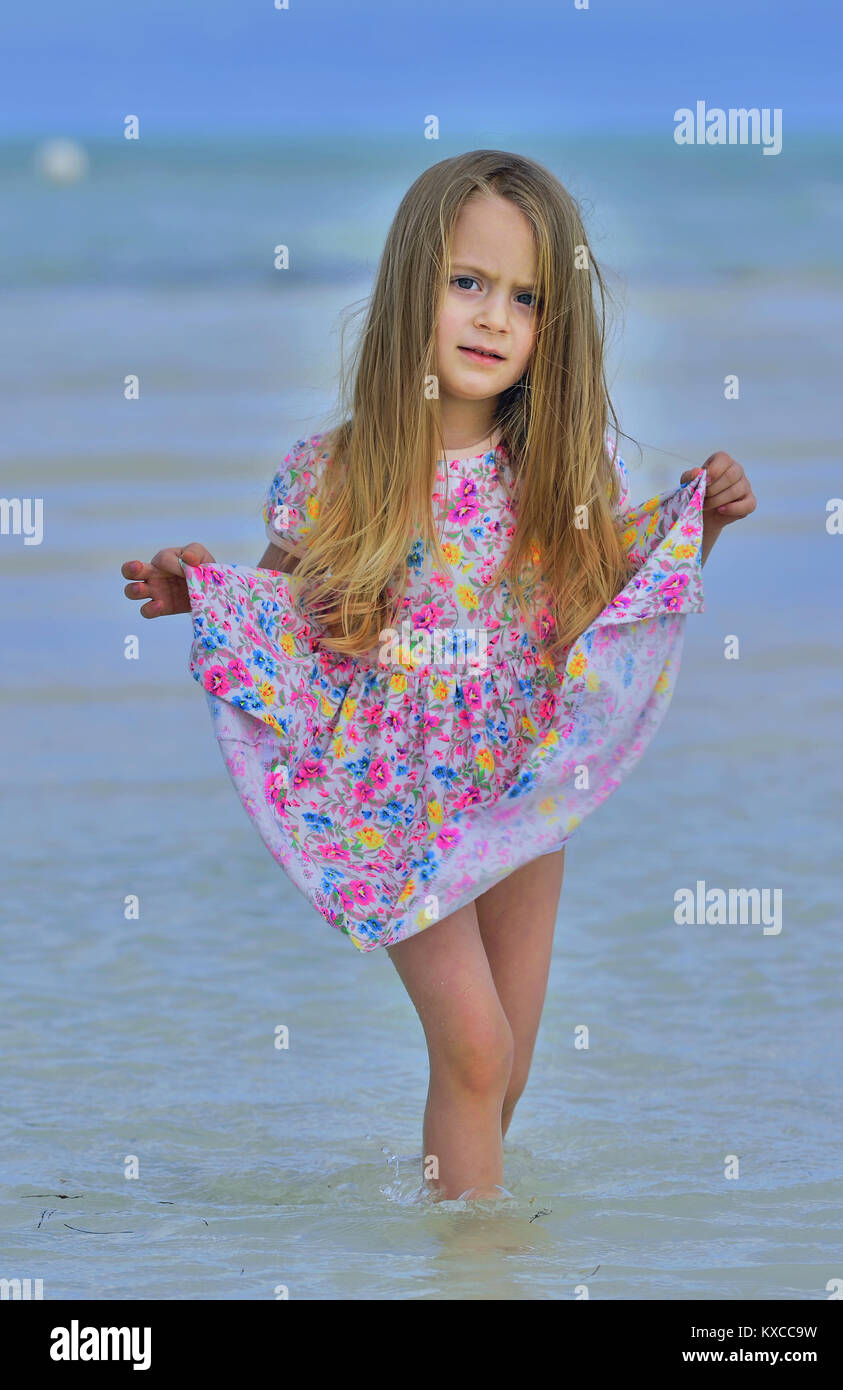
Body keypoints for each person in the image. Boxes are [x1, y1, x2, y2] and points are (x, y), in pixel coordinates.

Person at [120, 150, 756, 1203]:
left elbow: (604, 607)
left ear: (555, 325)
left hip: (516, 772)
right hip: (394, 795)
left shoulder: (560, 468)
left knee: (506, 1062)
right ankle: (476, 1265)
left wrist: (705, 524)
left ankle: (447, 1236)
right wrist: (200, 589)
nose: (493, 316)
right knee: (471, 1047)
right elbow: (283, 615)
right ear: (414, 281)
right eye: (469, 282)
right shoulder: (337, 472)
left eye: (526, 297)